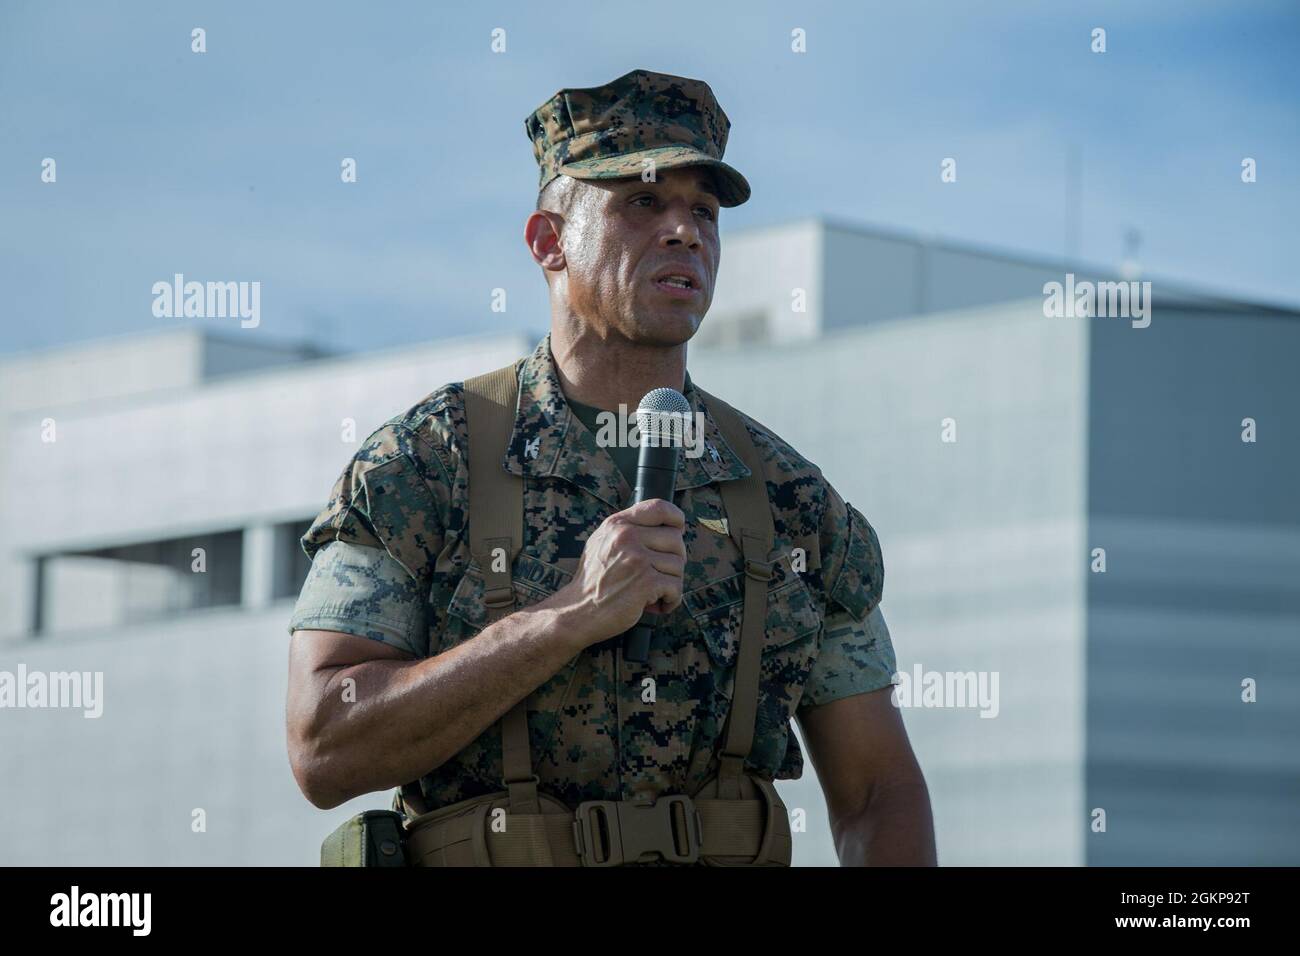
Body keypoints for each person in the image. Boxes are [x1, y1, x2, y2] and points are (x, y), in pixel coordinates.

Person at [286, 68, 936, 866]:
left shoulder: (789, 499)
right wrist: (567, 617)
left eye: (703, 211)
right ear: (548, 241)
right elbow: (323, 744)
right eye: (643, 202)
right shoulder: (424, 463)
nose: (684, 232)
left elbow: (878, 792)